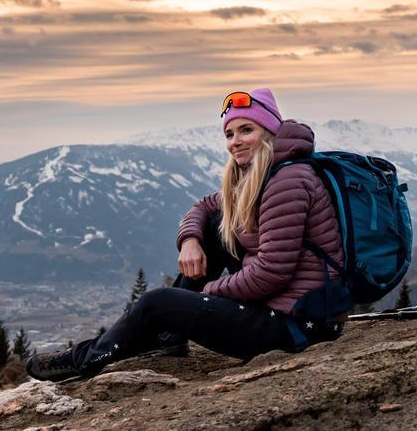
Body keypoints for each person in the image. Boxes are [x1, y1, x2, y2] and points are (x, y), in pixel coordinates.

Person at [25, 88, 346, 382]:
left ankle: (85, 360)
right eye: (230, 133)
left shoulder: (287, 182)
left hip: (294, 325)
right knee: (213, 227)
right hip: (283, 309)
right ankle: (168, 340)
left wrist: (206, 293)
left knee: (157, 303)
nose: (235, 141)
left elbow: (273, 273)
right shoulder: (263, 176)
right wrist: (190, 240)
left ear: (270, 132)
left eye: (247, 130)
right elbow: (206, 206)